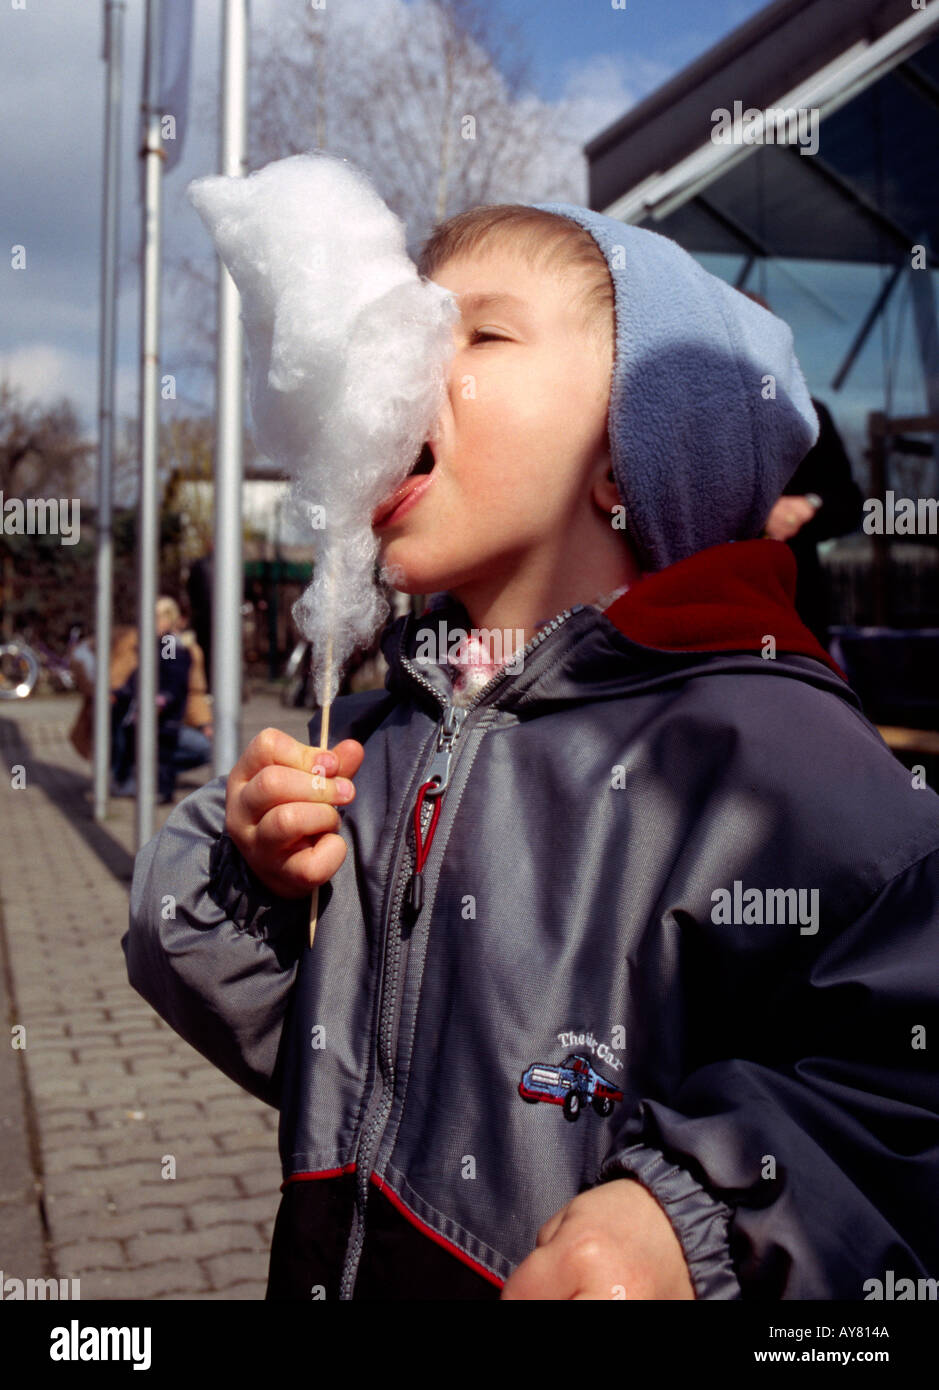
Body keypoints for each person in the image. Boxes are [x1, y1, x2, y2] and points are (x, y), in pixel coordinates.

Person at [122, 203, 939, 1301]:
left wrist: (698, 1222)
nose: (406, 362)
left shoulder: (765, 760)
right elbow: (307, 1048)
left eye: (480, 334)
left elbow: (903, 1088)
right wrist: (254, 876)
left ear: (625, 448)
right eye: (411, 327)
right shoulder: (376, 736)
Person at [743, 293, 865, 646]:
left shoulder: (808, 416)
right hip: (707, 615)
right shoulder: (689, 419)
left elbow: (848, 503)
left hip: (794, 617)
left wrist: (806, 504)